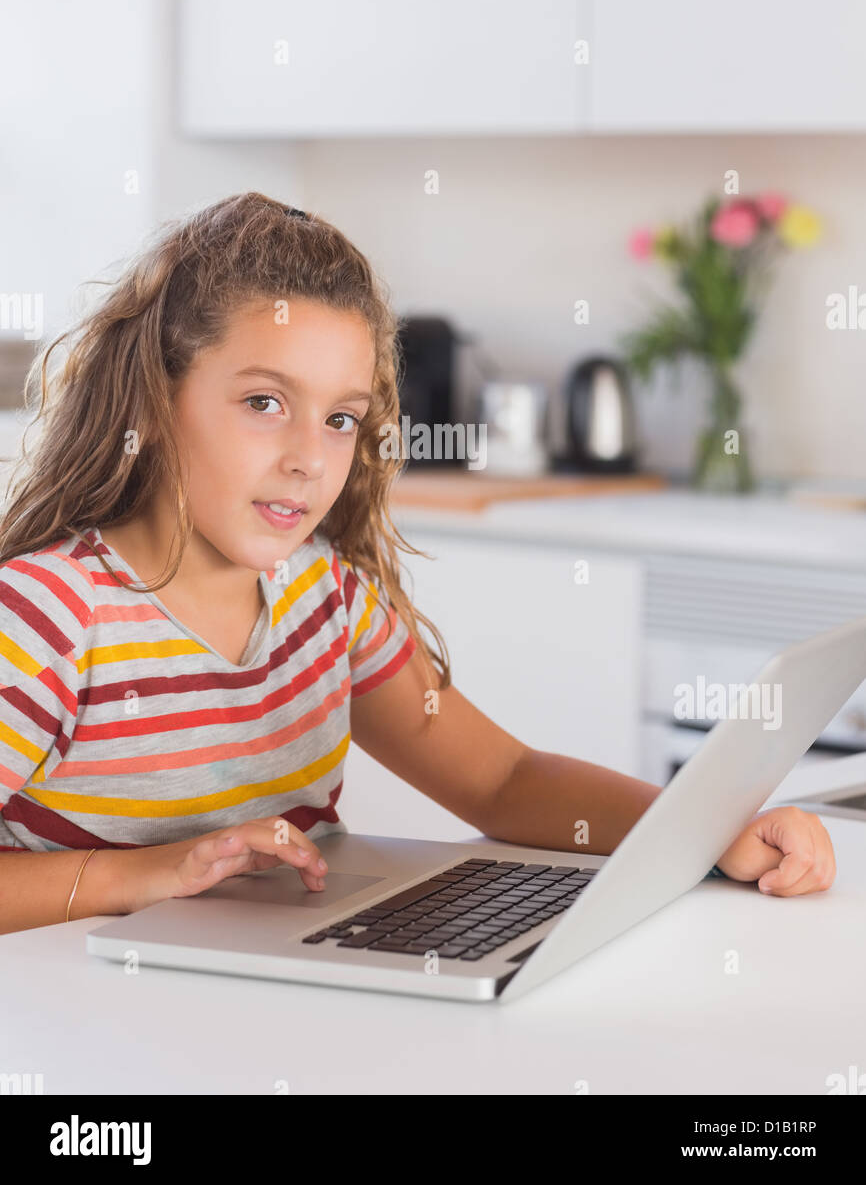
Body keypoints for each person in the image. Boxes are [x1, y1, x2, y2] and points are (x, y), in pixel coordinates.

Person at [0, 192, 835, 936]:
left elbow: (504, 781)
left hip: (257, 1011)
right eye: (265, 403)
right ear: (156, 396)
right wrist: (140, 876)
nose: (308, 458)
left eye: (339, 419)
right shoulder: (48, 620)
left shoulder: (325, 601)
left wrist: (705, 831)